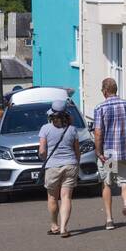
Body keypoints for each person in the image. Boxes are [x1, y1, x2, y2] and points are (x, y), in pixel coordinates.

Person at [93, 77, 126, 231]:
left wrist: (98, 151)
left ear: (105, 91)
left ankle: (109, 219)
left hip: (109, 153)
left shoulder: (100, 108)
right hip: (125, 150)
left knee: (107, 184)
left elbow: (98, 132)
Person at [38, 98, 80, 237]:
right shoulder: (73, 129)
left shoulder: (45, 129)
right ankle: (63, 228)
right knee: (66, 197)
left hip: (52, 167)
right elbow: (77, 151)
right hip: (70, 164)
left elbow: (42, 151)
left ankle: (54, 225)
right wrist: (77, 164)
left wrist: (44, 159)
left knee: (52, 197)